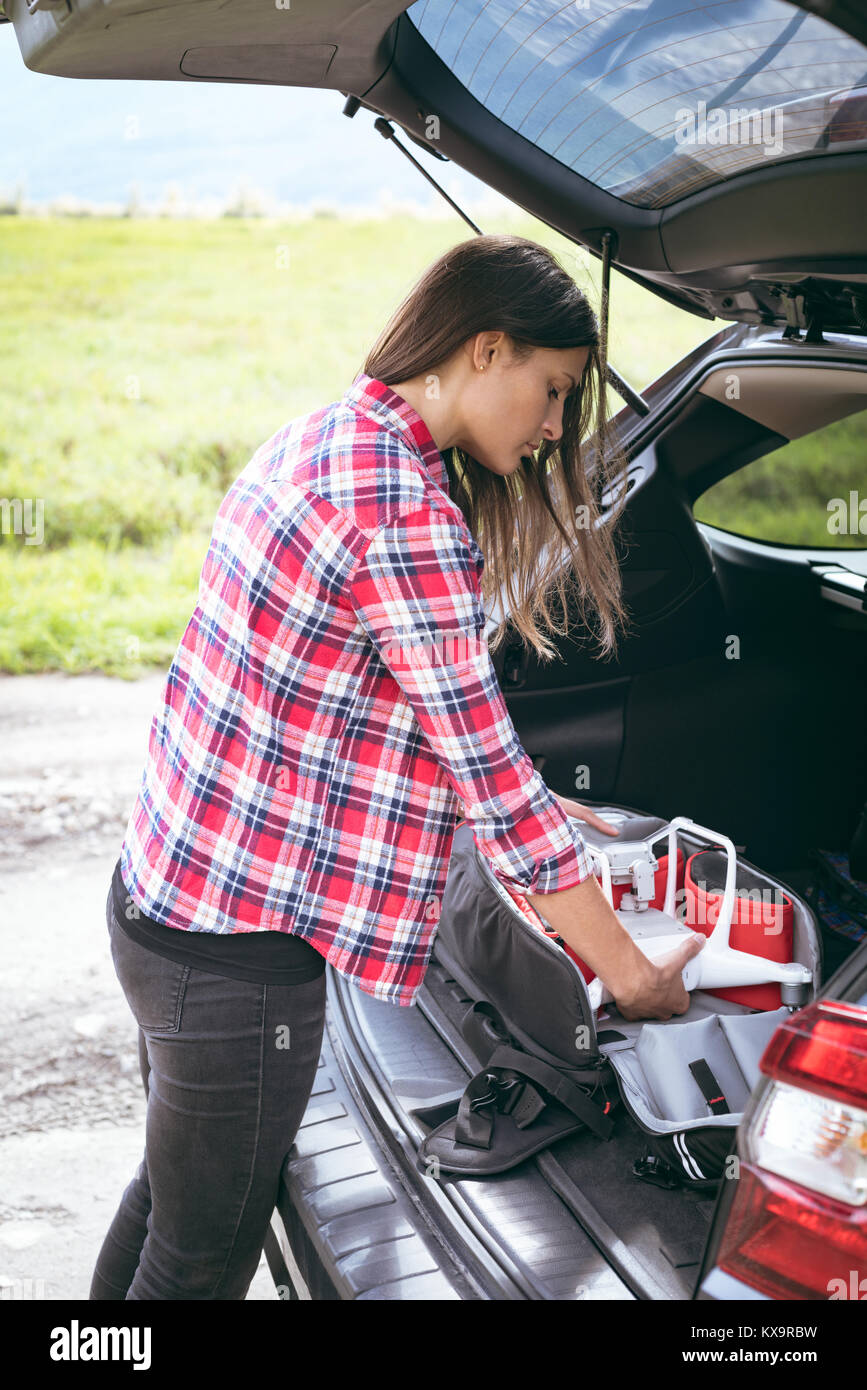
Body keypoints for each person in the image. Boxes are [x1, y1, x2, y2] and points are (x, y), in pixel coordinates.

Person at [89, 233, 703, 1302]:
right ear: (487, 350)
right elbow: (496, 785)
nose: (559, 427)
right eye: (553, 392)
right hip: (237, 957)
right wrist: (629, 972)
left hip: (165, 899)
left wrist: (559, 828)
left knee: (170, 1201)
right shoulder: (405, 512)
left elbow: (368, 719)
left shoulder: (332, 436)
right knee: (200, 1253)